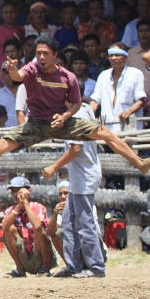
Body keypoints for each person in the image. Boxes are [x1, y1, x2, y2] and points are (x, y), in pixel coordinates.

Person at [0, 35, 150, 189]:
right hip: (36, 124)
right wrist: (12, 68)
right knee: (0, 147)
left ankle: (139, 163)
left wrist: (65, 116)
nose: (41, 57)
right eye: (38, 53)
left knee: (104, 133)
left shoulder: (67, 77)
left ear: (55, 55)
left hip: (62, 122)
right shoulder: (32, 70)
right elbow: (17, 77)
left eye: (45, 54)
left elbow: (76, 104)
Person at [42, 104, 106, 278]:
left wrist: (54, 167)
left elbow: (75, 148)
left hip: (84, 177)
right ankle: (73, 265)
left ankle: (96, 267)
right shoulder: (83, 109)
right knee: (69, 222)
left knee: (85, 224)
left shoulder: (76, 115)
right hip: (79, 177)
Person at [1, 176, 52, 277]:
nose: (15, 194)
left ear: (28, 191)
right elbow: (4, 227)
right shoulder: (11, 210)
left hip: (40, 253)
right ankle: (20, 269)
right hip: (24, 253)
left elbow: (38, 227)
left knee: (39, 231)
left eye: (18, 190)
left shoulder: (37, 206)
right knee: (9, 229)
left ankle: (45, 268)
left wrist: (25, 203)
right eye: (13, 191)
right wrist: (19, 206)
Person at [89, 46, 146, 133]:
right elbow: (96, 101)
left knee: (129, 146)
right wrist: (88, 115)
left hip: (129, 125)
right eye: (111, 55)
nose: (113, 58)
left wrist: (129, 112)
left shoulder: (135, 74)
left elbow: (141, 100)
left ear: (125, 57)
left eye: (117, 55)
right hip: (107, 126)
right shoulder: (103, 76)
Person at [45, 180, 70, 262]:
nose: (63, 196)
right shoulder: (60, 211)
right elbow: (49, 232)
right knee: (56, 233)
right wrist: (55, 213)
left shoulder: (83, 206)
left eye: (66, 193)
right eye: (60, 194)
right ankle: (70, 266)